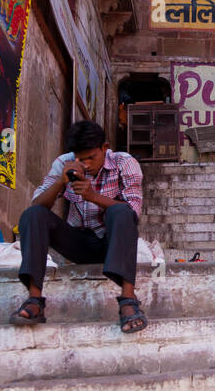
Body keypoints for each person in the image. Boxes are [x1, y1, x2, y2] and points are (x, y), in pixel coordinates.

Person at [11, 119, 147, 333]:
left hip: (112, 245)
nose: (85, 165)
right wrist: (60, 183)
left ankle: (128, 300)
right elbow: (37, 203)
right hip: (77, 242)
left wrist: (93, 196)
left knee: (121, 211)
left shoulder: (124, 163)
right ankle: (35, 300)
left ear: (105, 148)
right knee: (33, 215)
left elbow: (133, 212)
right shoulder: (63, 163)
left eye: (91, 158)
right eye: (80, 159)